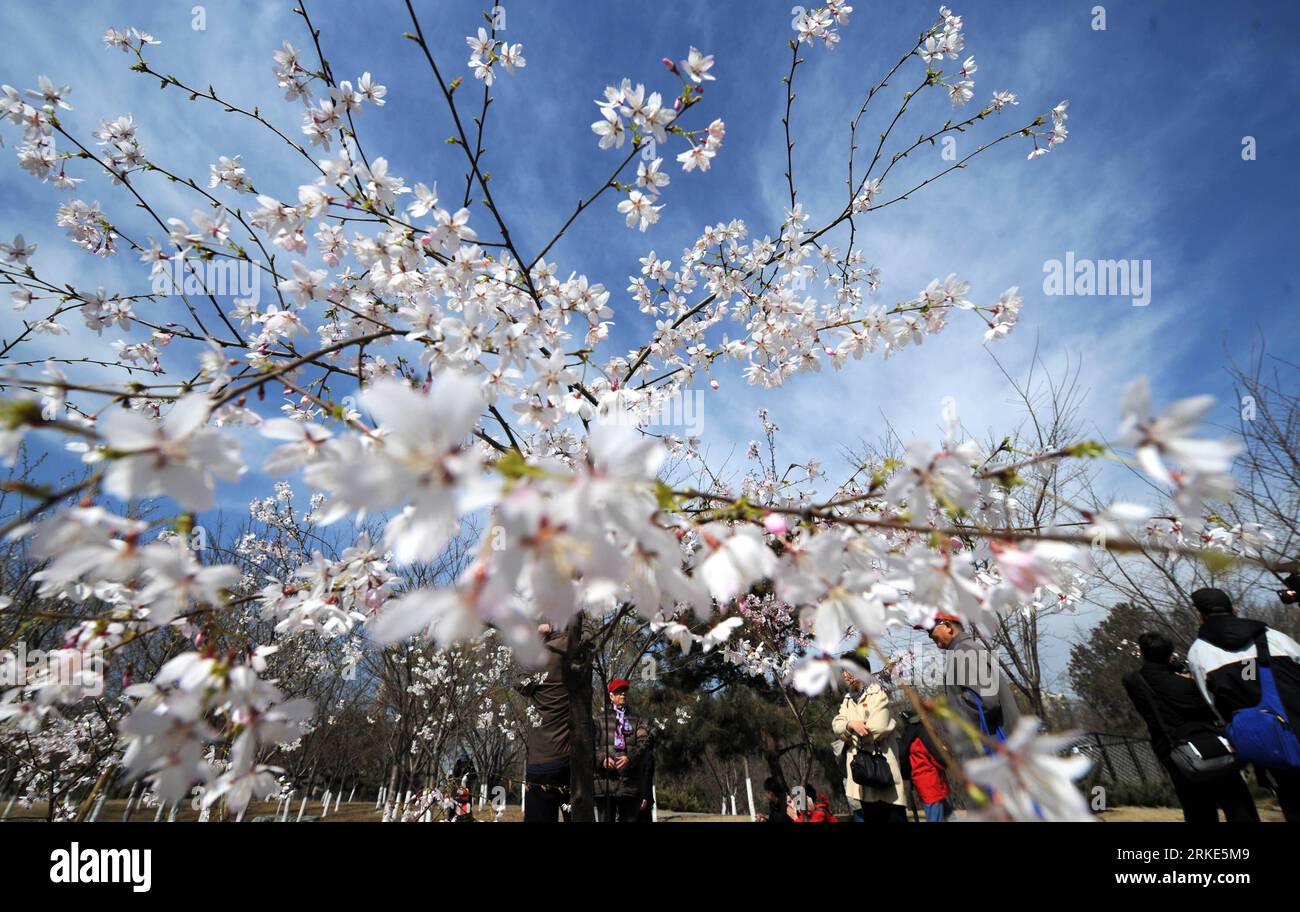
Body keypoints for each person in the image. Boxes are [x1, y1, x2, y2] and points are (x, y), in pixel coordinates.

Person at [1186, 587, 1300, 821]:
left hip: (1268, 742)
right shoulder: (1273, 636)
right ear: (1234, 609)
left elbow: (1212, 703)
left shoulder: (1198, 653)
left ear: (1199, 615)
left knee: (1292, 801)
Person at [1122, 630, 1258, 823]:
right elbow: (1209, 704)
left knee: (1197, 808)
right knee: (1237, 801)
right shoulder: (1187, 684)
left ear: (1143, 654)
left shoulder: (1135, 682)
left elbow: (1140, 680)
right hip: (1212, 744)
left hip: (1176, 751)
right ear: (1170, 653)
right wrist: (1186, 674)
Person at [919, 611, 1021, 757]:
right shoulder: (963, 650)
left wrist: (945, 707)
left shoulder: (964, 650)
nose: (929, 636)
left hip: (997, 748)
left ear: (948, 626)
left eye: (930, 630)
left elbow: (987, 700)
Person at [514, 623, 574, 823]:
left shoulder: (541, 657)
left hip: (541, 760)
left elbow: (519, 682)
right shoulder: (573, 646)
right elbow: (587, 634)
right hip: (571, 757)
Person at [832, 665, 907, 822]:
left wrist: (850, 736)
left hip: (883, 770)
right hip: (863, 775)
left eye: (849, 671)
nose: (846, 676)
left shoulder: (878, 693)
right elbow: (837, 725)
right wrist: (851, 724)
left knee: (893, 814)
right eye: (844, 672)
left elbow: (878, 729)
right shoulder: (847, 700)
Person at [595, 678, 651, 822]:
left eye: (624, 691)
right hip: (606, 783)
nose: (623, 695)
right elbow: (592, 745)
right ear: (611, 696)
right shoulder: (600, 720)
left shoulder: (636, 720)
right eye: (618, 692)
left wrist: (630, 758)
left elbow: (644, 743)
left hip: (629, 783)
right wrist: (602, 759)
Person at [900, 711, 953, 822]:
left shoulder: (907, 738)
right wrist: (947, 760)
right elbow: (938, 757)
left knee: (948, 813)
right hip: (931, 782)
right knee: (935, 817)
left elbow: (904, 761)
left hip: (922, 781)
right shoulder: (923, 736)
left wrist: (907, 775)